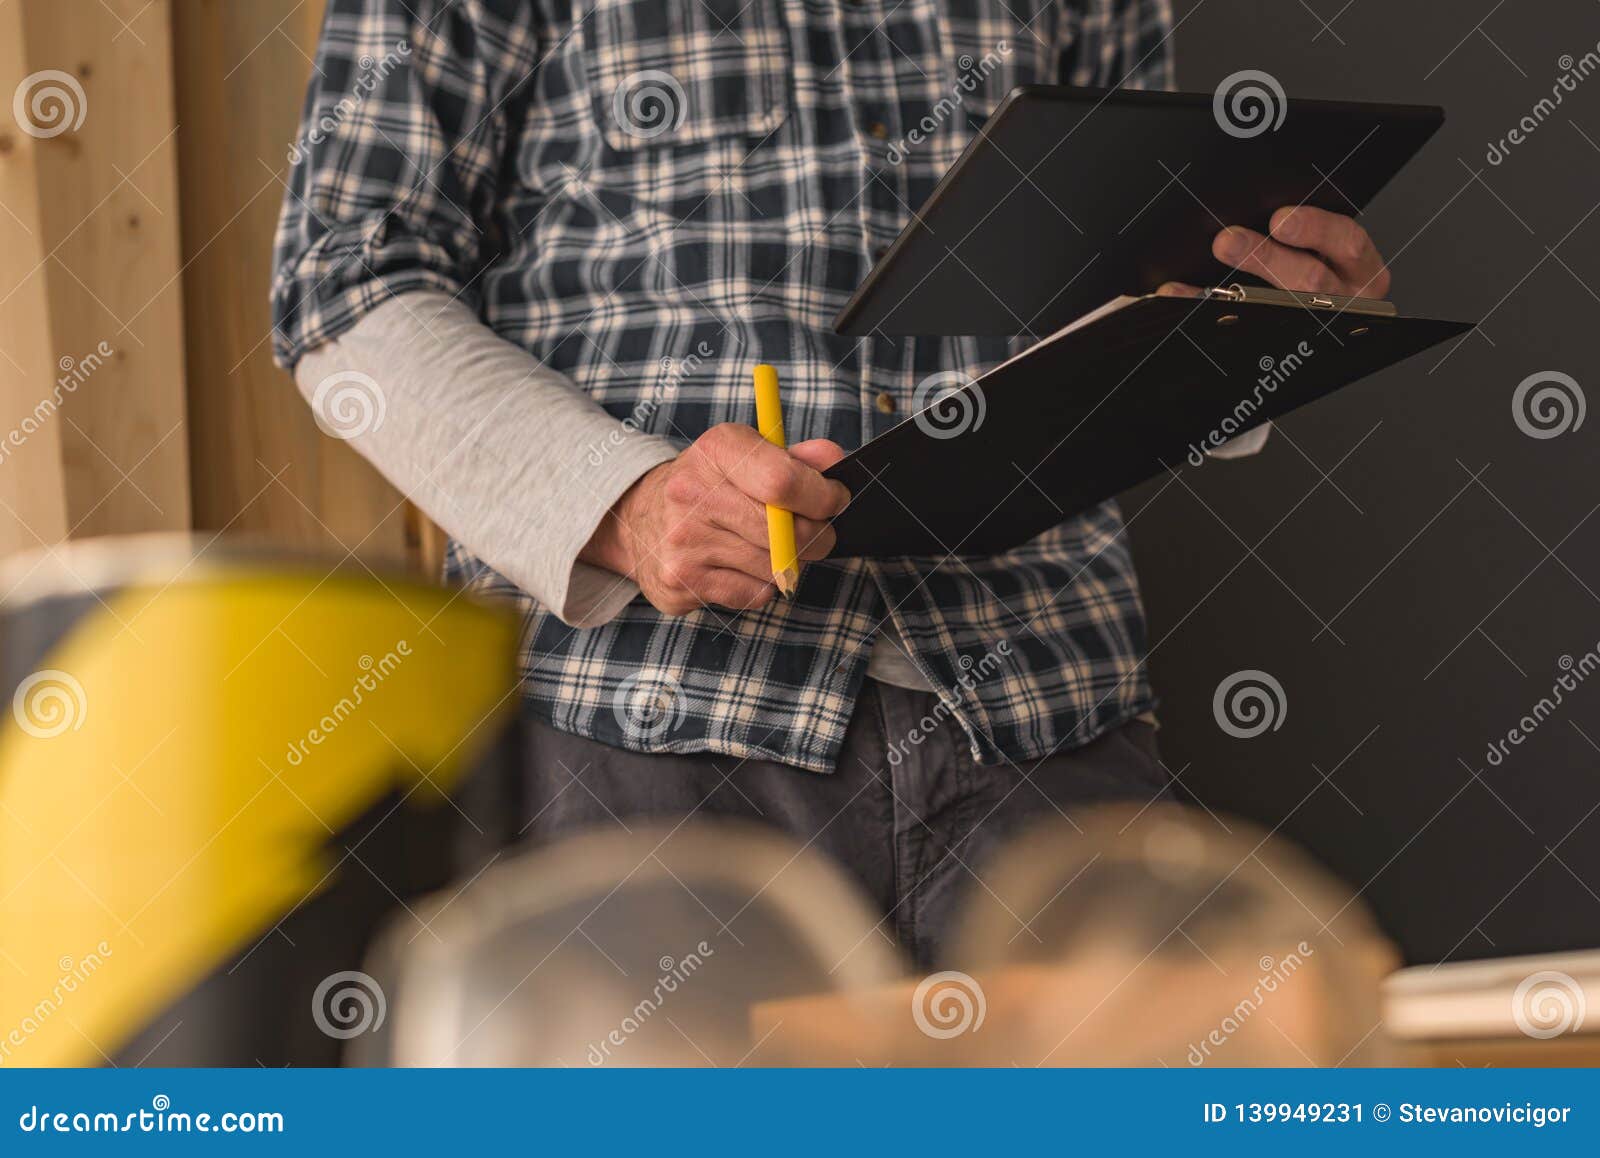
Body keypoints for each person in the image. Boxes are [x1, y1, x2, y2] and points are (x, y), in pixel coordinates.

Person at [273, 0, 1392, 968]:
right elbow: (343, 280)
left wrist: (1249, 332)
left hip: (1048, 714)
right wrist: (624, 503)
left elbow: (1124, 279)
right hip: (648, 735)